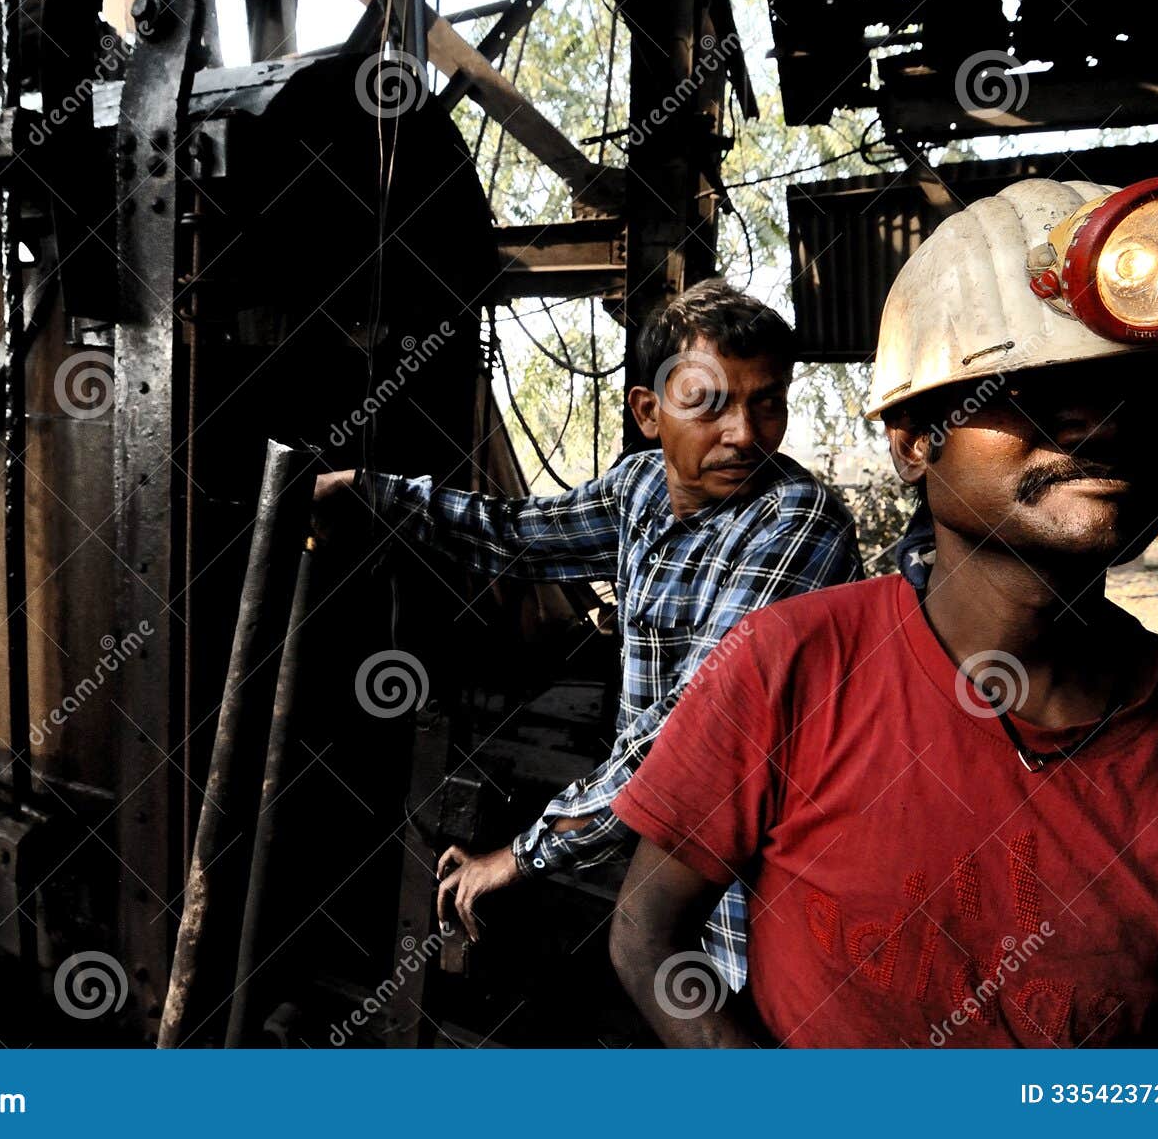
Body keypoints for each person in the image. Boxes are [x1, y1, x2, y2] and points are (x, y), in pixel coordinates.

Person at [609, 177, 1158, 1047]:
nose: (1097, 421)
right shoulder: (788, 664)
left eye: (1134, 389)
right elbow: (647, 931)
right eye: (1029, 387)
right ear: (915, 440)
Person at [312, 279, 862, 983]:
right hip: (685, 879)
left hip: (773, 894)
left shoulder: (795, 522)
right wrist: (368, 489)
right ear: (647, 411)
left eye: (768, 403)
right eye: (710, 403)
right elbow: (512, 536)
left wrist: (523, 852)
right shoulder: (640, 490)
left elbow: (691, 733)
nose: (744, 433)